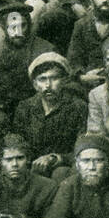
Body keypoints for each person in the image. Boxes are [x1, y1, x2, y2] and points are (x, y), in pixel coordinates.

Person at [12, 53, 89, 181]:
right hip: (32, 167)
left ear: (64, 81)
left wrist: (56, 158)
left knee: (60, 174)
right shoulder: (25, 107)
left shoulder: (78, 107)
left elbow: (82, 147)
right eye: (42, 79)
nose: (48, 85)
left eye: (54, 78)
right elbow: (18, 143)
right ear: (35, 84)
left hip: (63, 169)